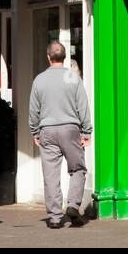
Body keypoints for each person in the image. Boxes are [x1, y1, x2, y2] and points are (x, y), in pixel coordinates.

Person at [29, 41, 93, 228]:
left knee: (50, 174)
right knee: (78, 169)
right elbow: (83, 106)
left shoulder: (39, 80)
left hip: (47, 130)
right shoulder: (73, 77)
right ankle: (73, 205)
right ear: (64, 57)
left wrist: (35, 130)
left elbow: (34, 110)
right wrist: (86, 131)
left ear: (48, 57)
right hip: (70, 129)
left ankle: (55, 217)